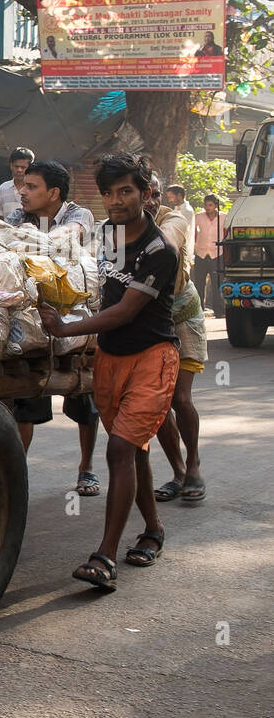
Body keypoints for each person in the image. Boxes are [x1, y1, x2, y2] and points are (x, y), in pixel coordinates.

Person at [40, 152, 180, 591]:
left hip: (153, 358)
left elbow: (124, 312)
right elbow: (102, 291)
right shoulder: (107, 233)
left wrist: (67, 328)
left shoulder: (161, 250)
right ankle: (153, 529)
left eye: (126, 191)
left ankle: (104, 556)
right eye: (109, 192)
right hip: (110, 359)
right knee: (133, 451)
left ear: (144, 193)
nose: (116, 200)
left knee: (119, 450)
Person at [5, 160, 101, 494]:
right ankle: (15, 475)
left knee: (83, 402)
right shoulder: (17, 217)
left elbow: (69, 236)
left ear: (54, 192)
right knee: (24, 403)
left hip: (76, 317)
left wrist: (33, 243)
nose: (22, 192)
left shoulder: (78, 214)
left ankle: (86, 468)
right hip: (32, 318)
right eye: (23, 185)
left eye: (31, 186)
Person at [147, 179, 207, 505]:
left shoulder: (174, 219)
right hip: (151, 322)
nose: (153, 200)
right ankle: (179, 472)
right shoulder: (116, 228)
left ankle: (194, 463)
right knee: (158, 403)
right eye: (147, 194)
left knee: (180, 399)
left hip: (184, 317)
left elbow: (167, 243)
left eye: (157, 194)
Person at [193, 193, 226, 314]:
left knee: (217, 283)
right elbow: (193, 232)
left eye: (210, 205)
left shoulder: (224, 217)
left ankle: (219, 310)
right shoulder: (198, 217)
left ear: (216, 205)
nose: (207, 208)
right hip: (201, 253)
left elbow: (227, 233)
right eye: (206, 205)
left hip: (217, 253)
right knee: (199, 283)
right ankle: (198, 310)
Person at [0, 147, 34, 219]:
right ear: (11, 166)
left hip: (31, 230)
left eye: (23, 167)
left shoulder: (36, 188)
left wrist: (44, 230)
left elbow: (45, 215)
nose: (19, 170)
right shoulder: (3, 188)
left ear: (30, 168)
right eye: (16, 166)